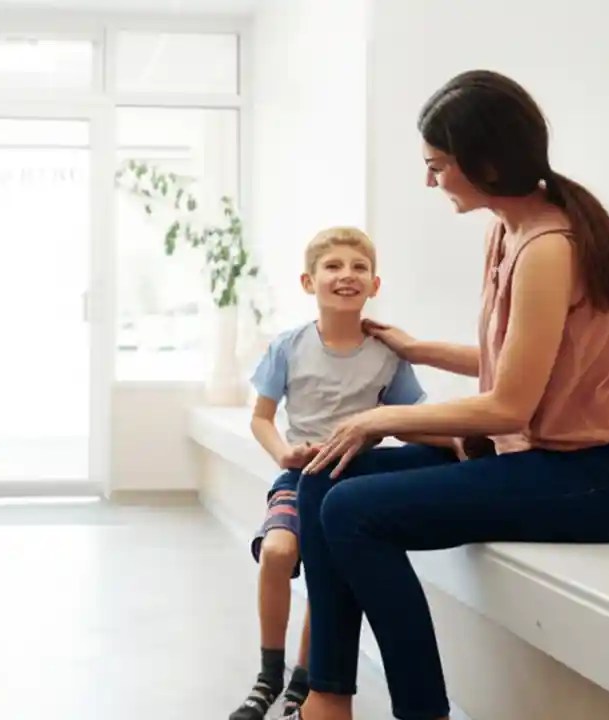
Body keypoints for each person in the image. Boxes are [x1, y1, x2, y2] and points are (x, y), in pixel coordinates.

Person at [283, 70, 609, 720]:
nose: (430, 181)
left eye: (438, 166)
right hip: (534, 458)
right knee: (322, 482)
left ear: (484, 162)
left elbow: (509, 406)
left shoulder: (549, 248)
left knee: (353, 511)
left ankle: (421, 712)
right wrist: (414, 347)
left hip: (601, 480)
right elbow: (512, 366)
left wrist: (381, 418)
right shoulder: (507, 230)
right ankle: (328, 696)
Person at [232, 227, 437, 720]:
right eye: (333, 267)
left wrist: (457, 441)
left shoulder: (389, 356)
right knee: (279, 551)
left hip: (357, 479)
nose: (347, 275)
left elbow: (411, 420)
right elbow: (261, 417)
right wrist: (284, 453)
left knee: (331, 571)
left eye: (358, 267)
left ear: (375, 284)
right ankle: (269, 674)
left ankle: (306, 682)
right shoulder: (290, 346)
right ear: (309, 282)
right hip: (301, 474)